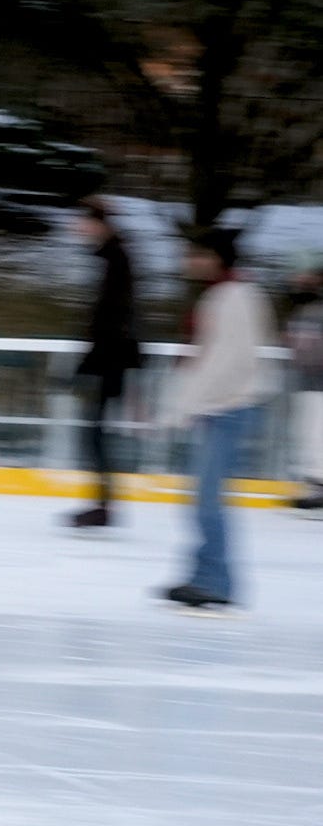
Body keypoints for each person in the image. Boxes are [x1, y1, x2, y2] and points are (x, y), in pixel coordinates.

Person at [154, 226, 279, 609]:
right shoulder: (223, 295)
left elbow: (227, 359)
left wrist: (186, 404)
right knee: (202, 499)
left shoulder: (236, 296)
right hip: (219, 407)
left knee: (208, 500)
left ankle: (216, 582)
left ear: (217, 258)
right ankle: (204, 575)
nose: (189, 262)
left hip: (229, 408)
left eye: (198, 254)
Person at [65, 198, 139, 528]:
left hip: (112, 358)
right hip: (111, 357)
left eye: (85, 223)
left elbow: (112, 318)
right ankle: (102, 504)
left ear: (100, 225)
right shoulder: (112, 257)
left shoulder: (116, 259)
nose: (79, 229)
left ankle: (104, 505)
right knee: (95, 432)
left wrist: (89, 362)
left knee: (96, 432)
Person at [280, 265, 323, 514]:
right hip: (305, 381)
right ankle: (314, 486)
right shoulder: (302, 310)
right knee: (307, 435)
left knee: (317, 436)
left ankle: (318, 488)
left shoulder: (315, 311)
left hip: (318, 382)